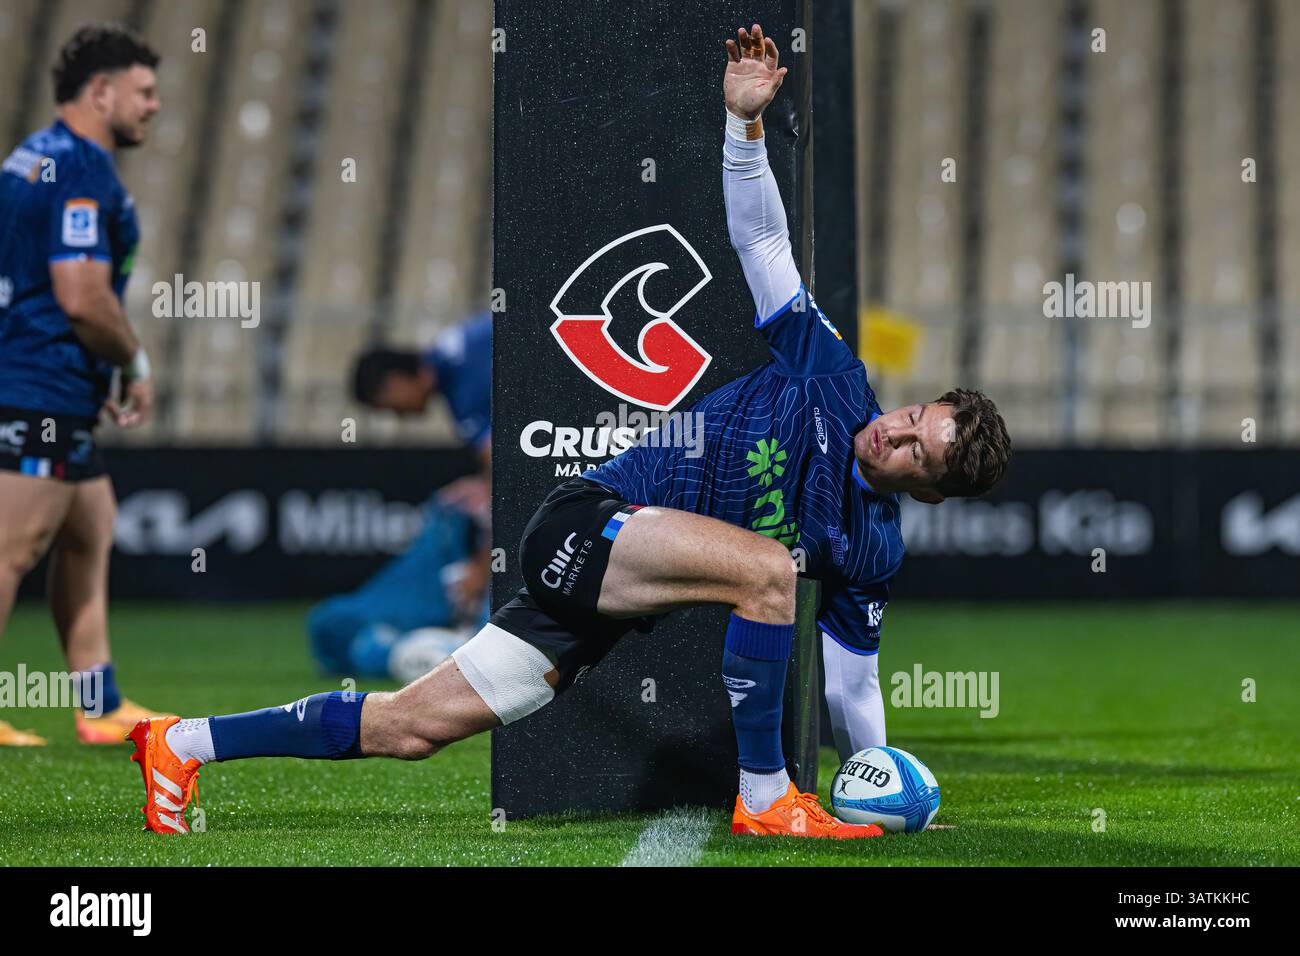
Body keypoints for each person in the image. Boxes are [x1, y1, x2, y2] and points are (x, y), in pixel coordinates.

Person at [125, 25, 1010, 840]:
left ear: (928, 489)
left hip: (608, 596)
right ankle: (766, 798)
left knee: (411, 728)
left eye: (914, 451)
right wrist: (744, 129)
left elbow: (852, 678)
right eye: (910, 416)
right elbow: (764, 246)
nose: (891, 433)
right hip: (590, 520)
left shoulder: (871, 546)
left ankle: (182, 742)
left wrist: (879, 770)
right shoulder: (834, 378)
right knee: (769, 569)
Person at [0, 24, 163, 746]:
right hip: (35, 382)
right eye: (144, 91)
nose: (154, 106)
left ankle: (98, 704)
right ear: (101, 91)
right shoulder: (82, 169)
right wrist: (133, 362)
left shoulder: (31, 157)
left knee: (88, 528)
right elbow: (82, 295)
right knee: (11, 548)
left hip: (48, 378)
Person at [305, 314, 494, 678]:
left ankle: (445, 641)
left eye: (388, 406)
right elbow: (507, 468)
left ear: (394, 382)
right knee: (456, 501)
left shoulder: (467, 383)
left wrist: (481, 569)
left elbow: (512, 491)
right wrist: (483, 483)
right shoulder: (458, 352)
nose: (397, 416)